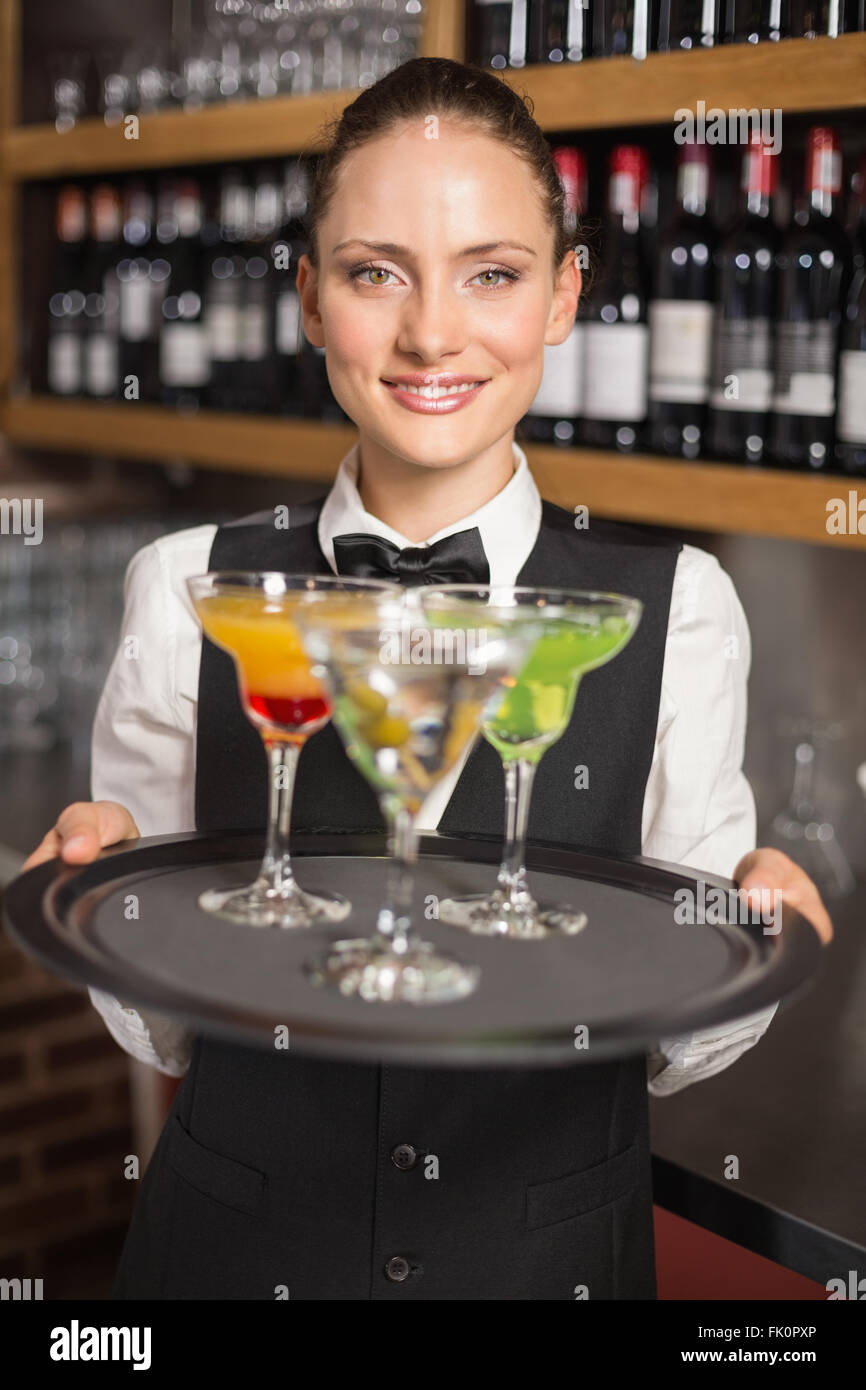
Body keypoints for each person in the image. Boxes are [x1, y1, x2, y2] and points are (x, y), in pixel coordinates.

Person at [23, 57, 832, 1301]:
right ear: (305, 296)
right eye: (372, 272)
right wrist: (113, 900)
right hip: (234, 1259)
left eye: (492, 274)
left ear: (564, 296)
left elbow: (673, 1040)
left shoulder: (677, 611)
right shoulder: (189, 584)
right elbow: (170, 1023)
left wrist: (745, 936)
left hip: (550, 1262)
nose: (431, 333)